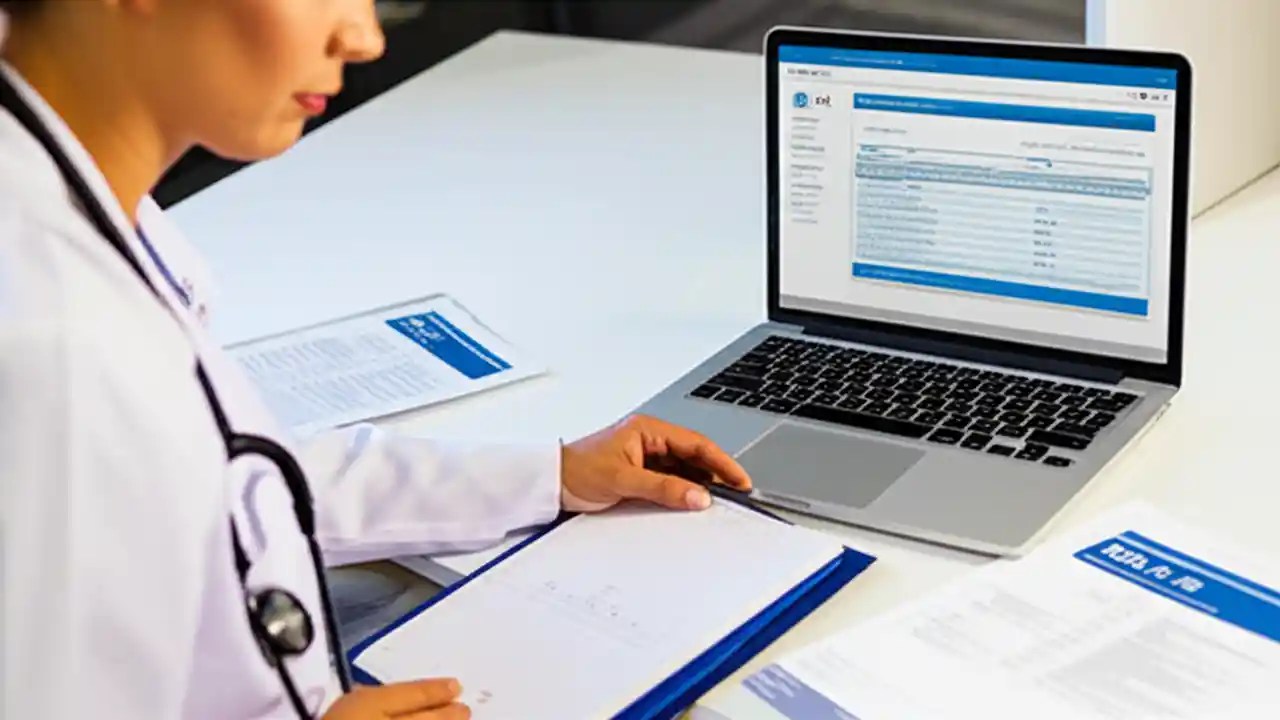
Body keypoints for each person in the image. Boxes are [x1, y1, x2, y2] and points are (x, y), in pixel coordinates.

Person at [0, 1, 752, 718]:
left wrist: (552, 473)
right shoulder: (49, 334)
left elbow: (216, 474)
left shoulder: (74, 204)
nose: (364, 38)